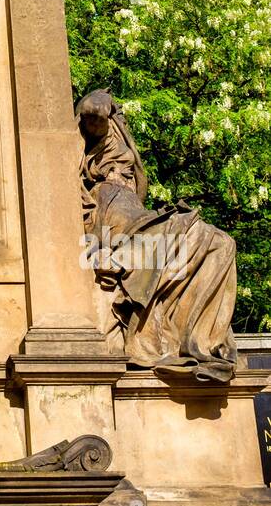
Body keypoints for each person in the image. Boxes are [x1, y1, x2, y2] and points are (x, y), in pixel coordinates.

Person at [77, 89, 237, 385]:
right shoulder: (104, 167)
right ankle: (184, 342)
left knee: (223, 243)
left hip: (139, 214)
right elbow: (91, 110)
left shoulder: (125, 158)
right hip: (121, 214)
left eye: (129, 171)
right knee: (198, 236)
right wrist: (106, 100)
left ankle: (200, 344)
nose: (127, 170)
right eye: (121, 169)